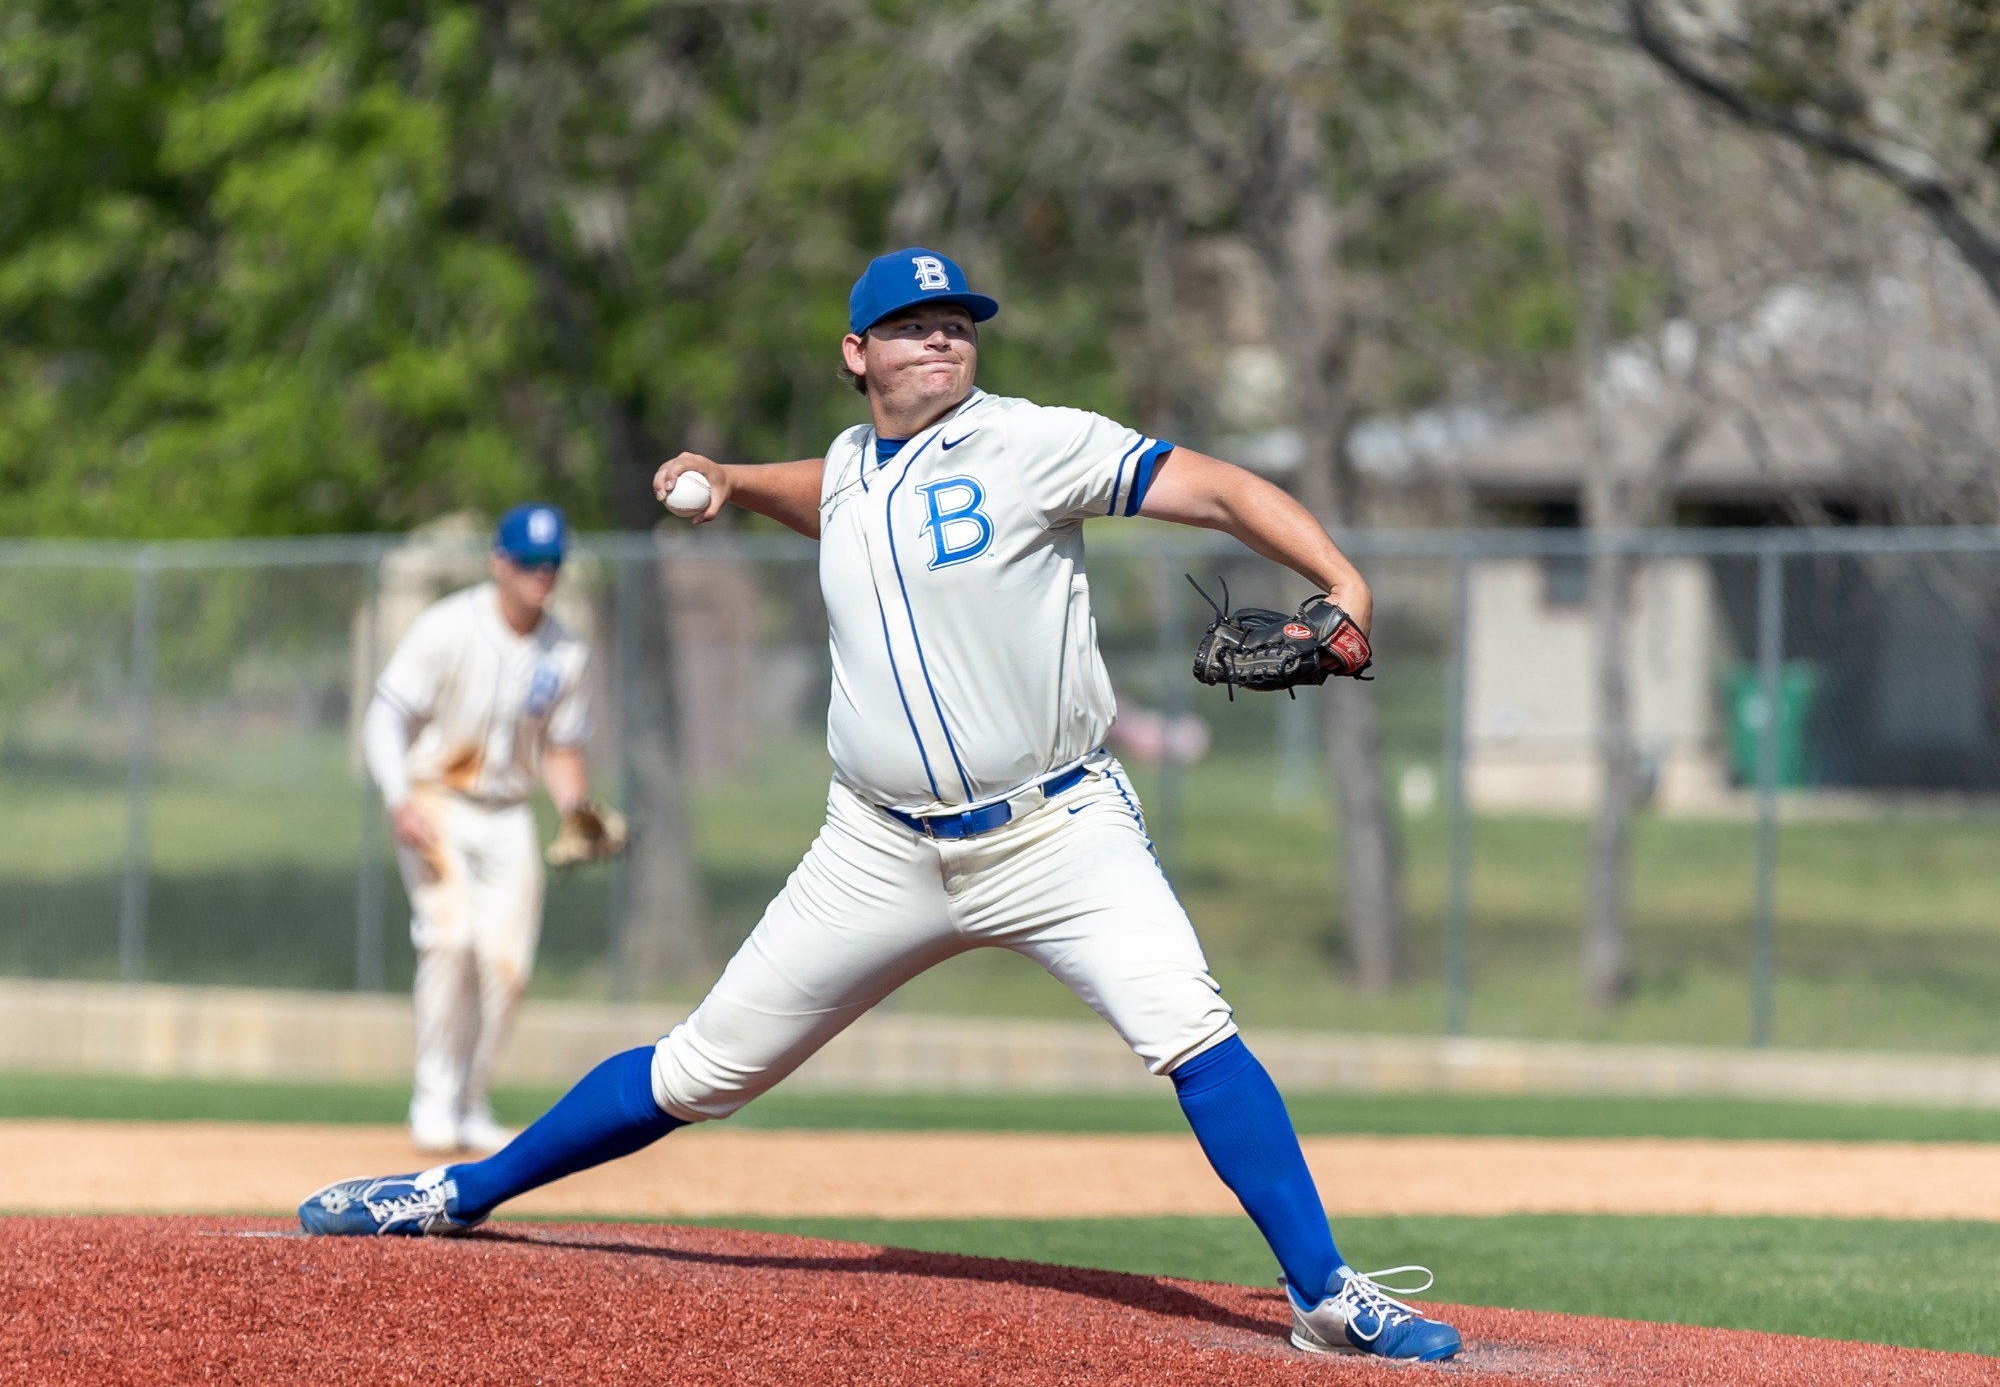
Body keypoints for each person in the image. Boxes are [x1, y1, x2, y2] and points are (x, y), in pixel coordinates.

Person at [303, 249, 1462, 1363]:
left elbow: (1213, 487)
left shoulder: (1032, 442)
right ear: (856, 352)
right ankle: (454, 1192)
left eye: (955, 320)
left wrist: (1340, 582)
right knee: (701, 1072)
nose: (941, 336)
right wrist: (737, 483)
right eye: (912, 324)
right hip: (876, 848)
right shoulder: (855, 464)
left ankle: (1323, 1296)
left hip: (1059, 830)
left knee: (1193, 1032)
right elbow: (840, 498)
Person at [360, 503, 596, 1155]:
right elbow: (386, 717)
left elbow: (561, 745)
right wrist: (397, 795)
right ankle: (432, 1100)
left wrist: (577, 812)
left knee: (507, 964)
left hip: (508, 813)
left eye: (551, 566)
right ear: (499, 561)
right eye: (528, 563)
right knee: (449, 937)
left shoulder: (565, 651)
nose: (540, 576)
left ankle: (471, 1098)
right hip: (436, 799)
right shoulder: (448, 628)